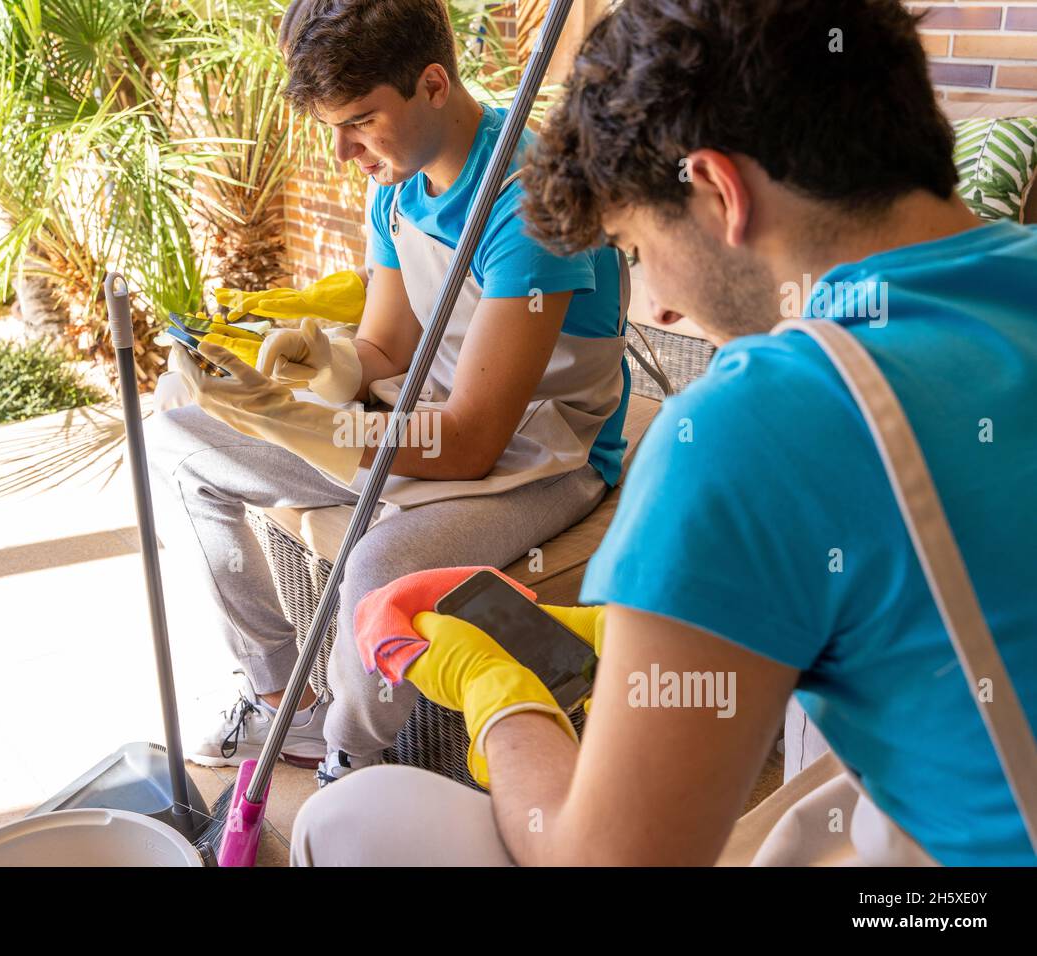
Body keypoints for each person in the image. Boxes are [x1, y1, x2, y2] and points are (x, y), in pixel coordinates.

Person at [290, 0, 1037, 865]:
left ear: (720, 191)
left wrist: (501, 694)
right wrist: (632, 630)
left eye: (635, 251)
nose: (662, 306)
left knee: (352, 820)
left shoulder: (757, 423)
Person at [146, 0, 631, 783]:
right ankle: (283, 702)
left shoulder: (530, 202)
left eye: (360, 121)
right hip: (425, 417)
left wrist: (309, 428)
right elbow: (386, 348)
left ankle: (349, 753)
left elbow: (473, 441)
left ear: (433, 83)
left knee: (377, 574)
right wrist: (315, 369)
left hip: (540, 455)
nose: (342, 152)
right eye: (333, 126)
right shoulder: (397, 181)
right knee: (176, 439)